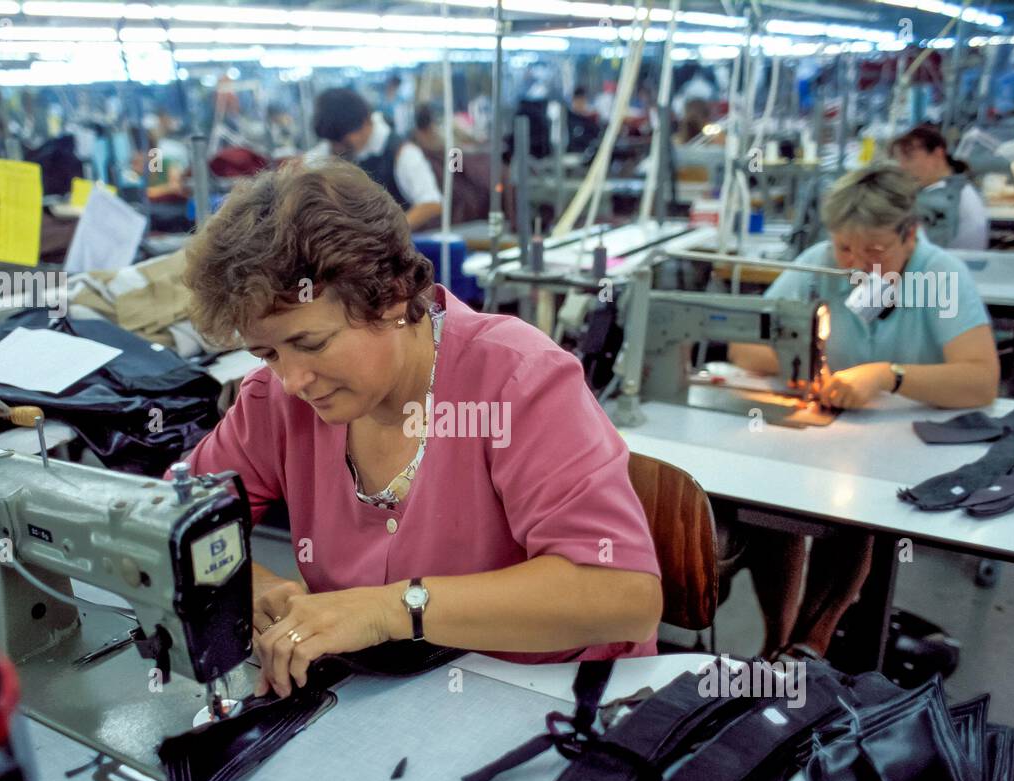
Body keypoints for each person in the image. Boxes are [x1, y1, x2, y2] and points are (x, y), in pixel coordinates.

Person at [178, 160, 662, 698]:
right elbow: (173, 517)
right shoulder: (275, 400)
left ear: (389, 299)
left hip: (547, 697)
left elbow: (624, 596)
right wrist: (248, 585)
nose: (292, 380)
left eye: (310, 344)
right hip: (387, 696)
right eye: (267, 353)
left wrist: (392, 608)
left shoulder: (517, 381)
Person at [727, 165, 999, 659]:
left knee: (848, 521)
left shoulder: (939, 277)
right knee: (771, 507)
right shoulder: (818, 265)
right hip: (829, 440)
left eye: (875, 251)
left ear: (910, 233)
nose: (856, 265)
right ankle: (778, 644)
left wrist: (888, 375)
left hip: (907, 449)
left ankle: (813, 644)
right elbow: (744, 344)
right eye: (845, 249)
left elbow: (981, 379)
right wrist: (798, 360)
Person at [306, 87, 443, 232]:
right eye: (333, 142)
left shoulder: (402, 153)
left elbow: (431, 203)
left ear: (366, 122)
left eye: (344, 142)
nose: (338, 149)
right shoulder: (328, 149)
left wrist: (387, 234)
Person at [891, 124, 990, 249]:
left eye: (909, 158)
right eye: (899, 160)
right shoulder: (959, 187)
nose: (902, 167)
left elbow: (925, 252)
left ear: (937, 154)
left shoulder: (943, 198)